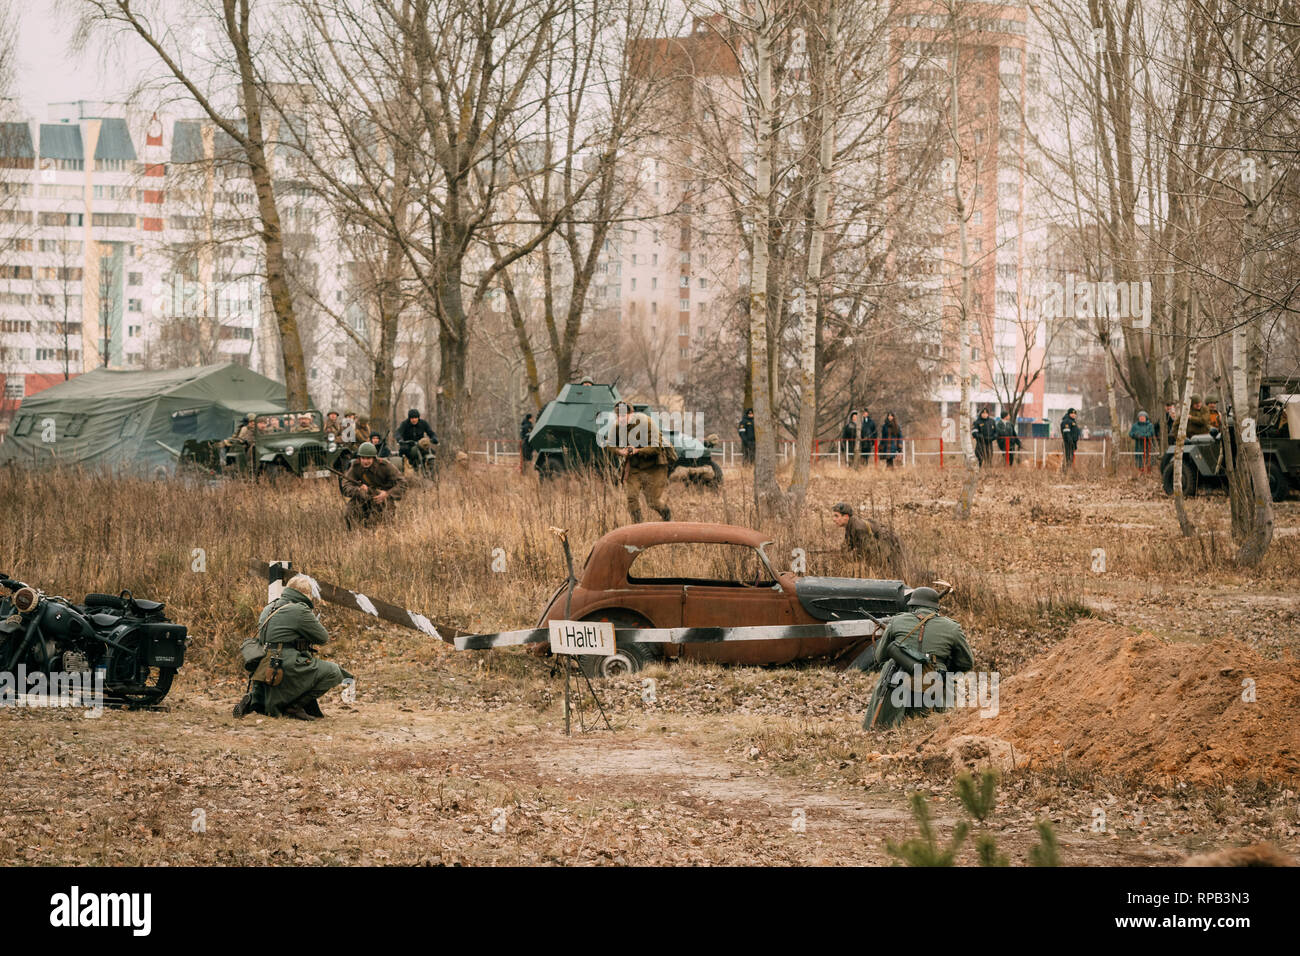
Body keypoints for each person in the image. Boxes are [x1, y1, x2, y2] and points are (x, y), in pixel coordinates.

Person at [234, 574, 354, 720]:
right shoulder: (299, 610)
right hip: (284, 663)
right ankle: (294, 707)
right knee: (334, 671)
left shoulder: (269, 607)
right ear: (306, 594)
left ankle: (253, 701)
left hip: (263, 664)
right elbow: (323, 638)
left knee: (268, 692)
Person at [864, 586, 974, 730]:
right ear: (936, 608)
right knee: (940, 726)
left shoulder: (897, 621)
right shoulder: (952, 628)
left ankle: (878, 727)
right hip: (935, 682)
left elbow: (880, 656)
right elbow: (966, 663)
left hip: (897, 680)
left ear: (912, 605)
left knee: (888, 669)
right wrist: (943, 666)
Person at [608, 401, 674, 522]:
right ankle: (638, 526)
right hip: (634, 467)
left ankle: (667, 517)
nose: (620, 418)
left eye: (624, 415)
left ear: (631, 414)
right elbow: (610, 444)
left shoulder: (646, 422)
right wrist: (620, 451)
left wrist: (637, 450)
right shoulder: (616, 426)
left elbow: (656, 447)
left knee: (652, 501)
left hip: (654, 466)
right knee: (631, 497)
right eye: (618, 416)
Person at [340, 441, 406, 528]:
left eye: (368, 458)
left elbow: (402, 483)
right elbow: (346, 485)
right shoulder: (356, 466)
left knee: (381, 523)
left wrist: (387, 494)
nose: (365, 461)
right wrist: (358, 490)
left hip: (382, 499)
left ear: (374, 458)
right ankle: (355, 535)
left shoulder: (385, 466)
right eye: (363, 458)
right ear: (359, 458)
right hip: (363, 497)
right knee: (350, 514)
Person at [832, 502, 904, 577]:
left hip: (892, 546)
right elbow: (848, 545)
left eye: (836, 516)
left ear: (846, 516)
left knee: (894, 576)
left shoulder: (858, 528)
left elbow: (871, 553)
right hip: (884, 545)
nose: (834, 519)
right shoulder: (850, 525)